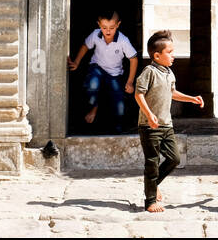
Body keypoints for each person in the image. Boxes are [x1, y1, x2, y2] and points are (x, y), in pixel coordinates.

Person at [134, 30, 204, 213]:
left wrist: (192, 98)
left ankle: (153, 184)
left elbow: (173, 93)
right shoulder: (149, 72)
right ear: (157, 55)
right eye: (170, 52)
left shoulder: (169, 73)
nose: (173, 55)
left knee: (174, 159)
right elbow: (138, 94)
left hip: (166, 125)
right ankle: (150, 201)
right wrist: (149, 115)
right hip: (149, 127)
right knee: (152, 162)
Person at [67, 11, 137, 131]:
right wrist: (77, 62)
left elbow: (133, 59)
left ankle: (118, 130)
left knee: (119, 105)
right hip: (97, 67)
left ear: (118, 25)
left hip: (114, 73)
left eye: (112, 28)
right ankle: (94, 107)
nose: (108, 31)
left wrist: (130, 82)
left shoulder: (123, 40)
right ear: (99, 25)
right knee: (92, 85)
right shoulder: (95, 34)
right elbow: (85, 46)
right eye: (104, 27)